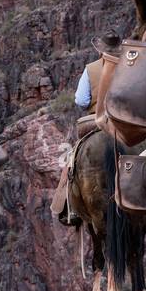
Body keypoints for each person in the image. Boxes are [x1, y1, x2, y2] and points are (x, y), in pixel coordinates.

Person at [52, 32, 122, 226]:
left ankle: (71, 208)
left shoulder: (90, 69)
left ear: (100, 50)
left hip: (96, 120)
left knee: (71, 161)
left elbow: (81, 101)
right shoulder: (131, 67)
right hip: (123, 121)